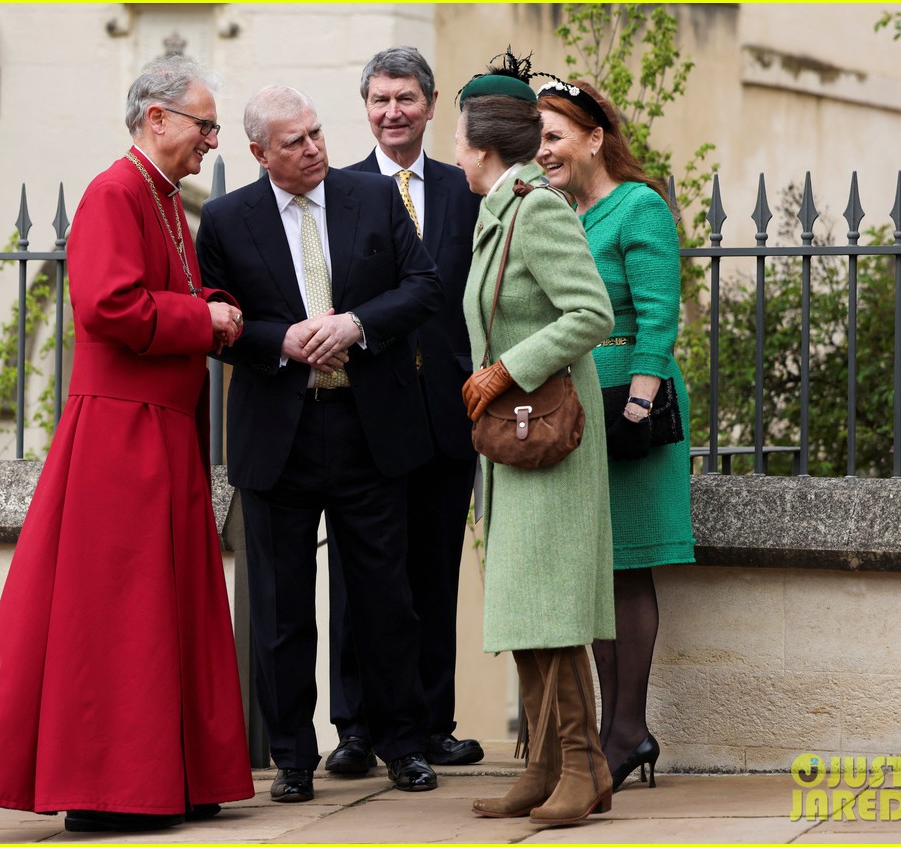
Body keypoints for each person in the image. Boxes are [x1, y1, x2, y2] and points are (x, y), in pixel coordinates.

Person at [0, 56, 255, 833]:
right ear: (156, 118)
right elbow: (110, 304)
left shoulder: (157, 196)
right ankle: (109, 787)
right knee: (119, 615)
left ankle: (172, 776)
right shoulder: (115, 191)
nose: (212, 141)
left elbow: (163, 288)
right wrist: (203, 322)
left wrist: (211, 306)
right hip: (121, 433)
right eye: (204, 125)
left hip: (159, 430)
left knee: (166, 609)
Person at [195, 85, 445, 804]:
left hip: (370, 428)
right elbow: (217, 319)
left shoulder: (371, 195)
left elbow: (424, 287)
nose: (313, 148)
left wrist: (355, 324)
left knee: (384, 598)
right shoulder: (225, 219)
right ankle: (292, 758)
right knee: (281, 609)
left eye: (316, 134)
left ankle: (401, 744)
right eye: (295, 141)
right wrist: (282, 339)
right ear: (259, 153)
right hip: (281, 434)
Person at [453, 53, 616, 827]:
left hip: (553, 435)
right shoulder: (498, 210)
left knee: (550, 604)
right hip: (516, 442)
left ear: (481, 145)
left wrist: (503, 371)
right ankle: (546, 763)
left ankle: (584, 765)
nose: (452, 152)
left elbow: (591, 313)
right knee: (524, 604)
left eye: (457, 138)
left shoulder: (538, 208)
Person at [322, 46, 484, 777]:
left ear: (431, 102)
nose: (393, 112)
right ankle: (356, 727)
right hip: (365, 415)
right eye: (381, 99)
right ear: (365, 106)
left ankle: (429, 722)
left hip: (450, 410)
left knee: (432, 572)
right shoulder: (336, 190)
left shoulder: (465, 189)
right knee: (362, 577)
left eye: (406, 99)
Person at [536, 76, 694, 794]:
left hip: (630, 403)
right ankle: (614, 730)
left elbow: (661, 311)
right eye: (538, 139)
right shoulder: (570, 212)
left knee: (628, 565)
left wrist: (639, 401)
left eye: (554, 136)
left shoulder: (639, 205)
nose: (543, 151)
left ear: (595, 137)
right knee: (599, 570)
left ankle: (627, 728)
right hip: (584, 407)